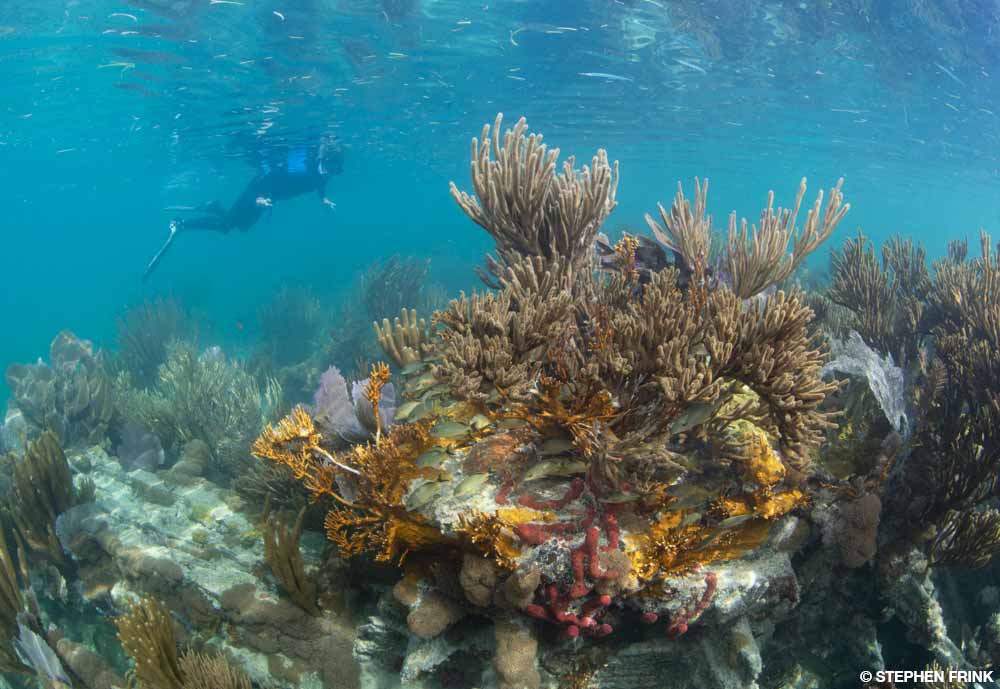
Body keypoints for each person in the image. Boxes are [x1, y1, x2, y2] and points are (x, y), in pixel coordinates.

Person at [142, 140, 343, 280]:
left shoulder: (323, 174)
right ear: (321, 159)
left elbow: (319, 183)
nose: (330, 173)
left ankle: (215, 207)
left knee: (242, 226)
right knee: (225, 226)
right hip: (258, 192)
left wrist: (324, 199)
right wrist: (257, 199)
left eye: (335, 170)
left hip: (267, 200)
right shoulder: (303, 166)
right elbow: (270, 177)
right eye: (329, 167)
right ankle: (181, 224)